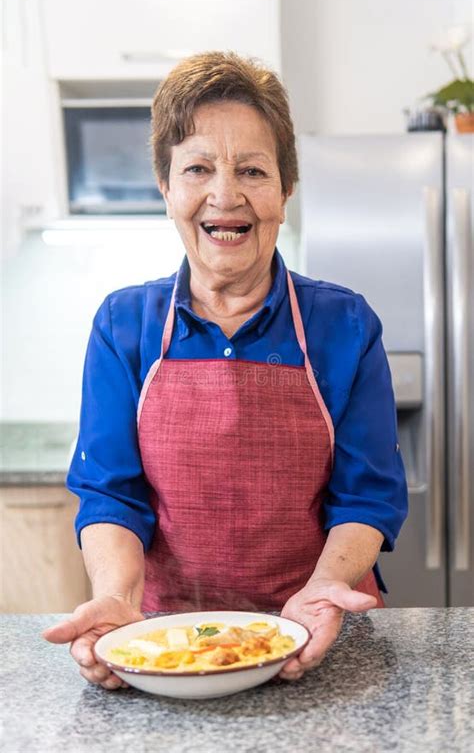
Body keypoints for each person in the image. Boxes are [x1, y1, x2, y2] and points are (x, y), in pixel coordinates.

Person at [43, 51, 408, 689]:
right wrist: (117, 600)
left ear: (285, 190)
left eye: (252, 170)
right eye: (198, 168)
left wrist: (324, 589)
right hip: (167, 646)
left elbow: (368, 495)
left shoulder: (344, 325)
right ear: (166, 186)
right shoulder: (123, 326)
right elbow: (111, 494)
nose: (225, 195)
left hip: (321, 633)